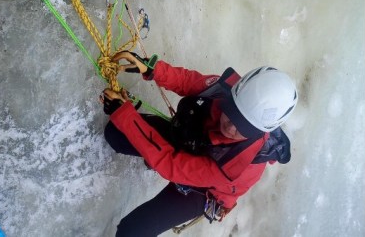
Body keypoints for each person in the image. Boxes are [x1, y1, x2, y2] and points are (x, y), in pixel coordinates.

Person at [100, 51, 297, 236]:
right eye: (232, 112)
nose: (230, 127)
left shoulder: (234, 166)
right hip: (195, 142)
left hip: (204, 190)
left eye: (243, 128)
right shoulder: (227, 90)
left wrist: (124, 113)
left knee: (132, 231)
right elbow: (187, 81)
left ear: (258, 133)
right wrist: (151, 69)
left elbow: (171, 164)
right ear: (232, 96)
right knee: (115, 133)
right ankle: (151, 153)